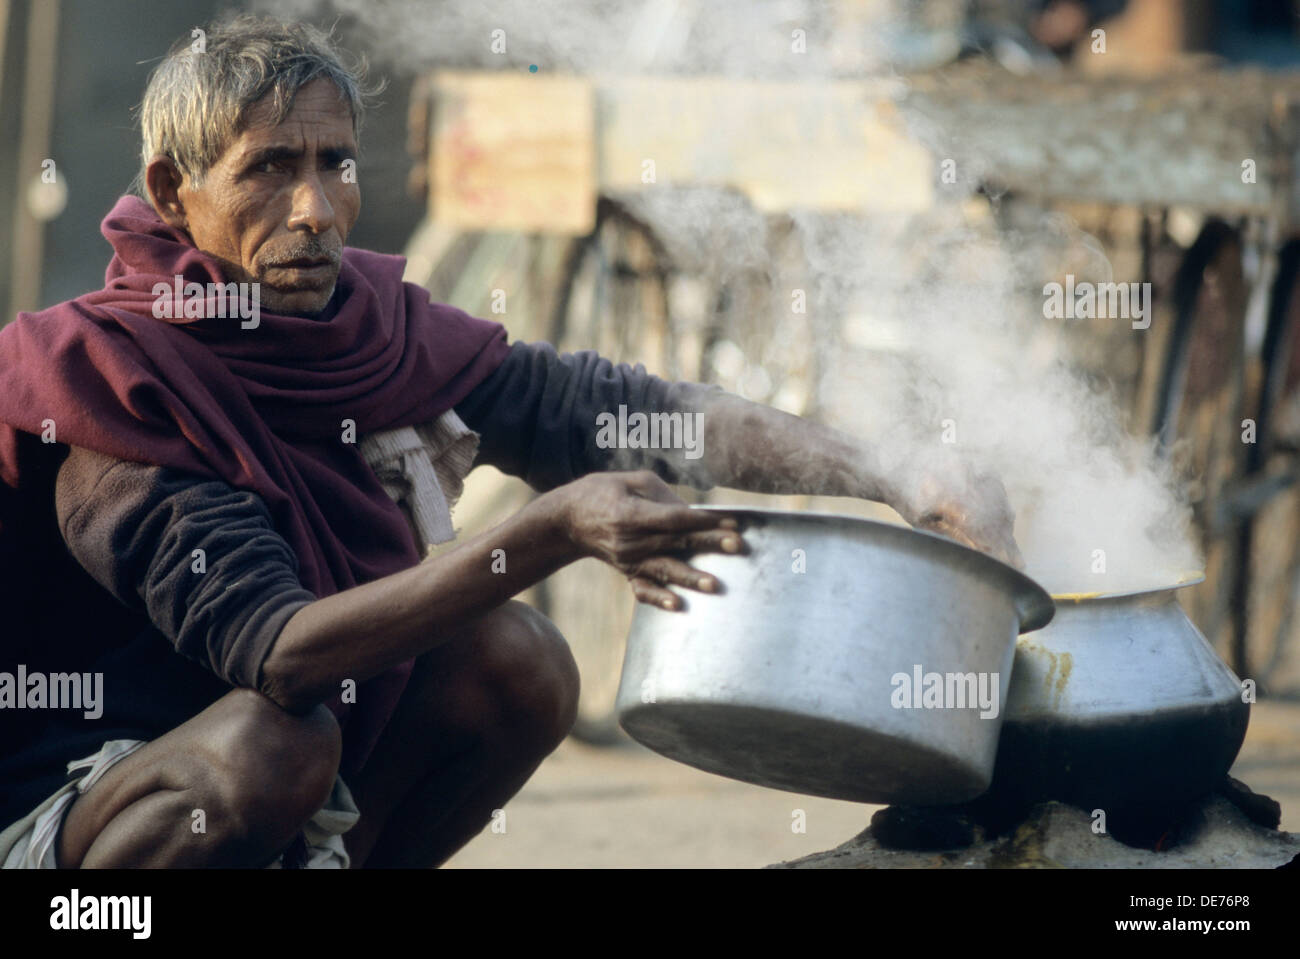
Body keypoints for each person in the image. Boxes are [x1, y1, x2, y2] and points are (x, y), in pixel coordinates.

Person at [0, 16, 1020, 869]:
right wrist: (547, 531)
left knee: (516, 657)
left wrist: (891, 470)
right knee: (267, 744)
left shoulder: (373, 337)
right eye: (269, 170)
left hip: (294, 761)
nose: (314, 210)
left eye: (335, 166)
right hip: (81, 803)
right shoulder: (108, 387)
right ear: (173, 191)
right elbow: (281, 653)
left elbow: (614, 409)